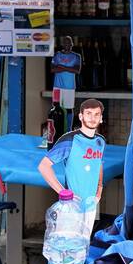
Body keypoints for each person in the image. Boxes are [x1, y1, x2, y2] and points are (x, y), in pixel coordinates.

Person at [38, 98, 105, 231]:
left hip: (91, 204)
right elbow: (43, 166)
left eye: (96, 114)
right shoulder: (69, 140)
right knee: (69, 247)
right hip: (71, 207)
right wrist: (63, 192)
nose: (92, 118)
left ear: (101, 118)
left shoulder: (100, 141)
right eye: (88, 113)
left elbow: (99, 163)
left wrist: (100, 188)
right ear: (80, 116)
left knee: (84, 244)